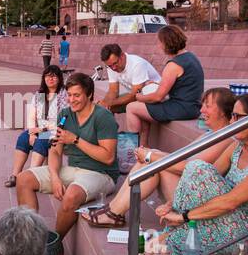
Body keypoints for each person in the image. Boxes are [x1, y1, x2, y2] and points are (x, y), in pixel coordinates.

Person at [153, 93, 248, 255]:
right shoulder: (237, 148)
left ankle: (170, 235)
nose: (231, 122)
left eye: (237, 117)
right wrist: (171, 204)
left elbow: (230, 202)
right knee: (195, 169)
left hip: (247, 235)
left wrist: (182, 217)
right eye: (232, 116)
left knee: (166, 245)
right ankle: (170, 235)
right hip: (223, 219)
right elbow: (200, 182)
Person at [82, 87, 236, 228]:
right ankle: (113, 209)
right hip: (188, 189)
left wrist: (150, 156)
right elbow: (180, 156)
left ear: (223, 111)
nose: (202, 110)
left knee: (154, 166)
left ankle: (114, 213)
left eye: (207, 106)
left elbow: (189, 167)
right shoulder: (210, 134)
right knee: (151, 159)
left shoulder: (226, 138)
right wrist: (151, 153)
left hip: (197, 200)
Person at [16, 71, 118, 239]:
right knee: (23, 179)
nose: (71, 100)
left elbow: (108, 157)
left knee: (71, 195)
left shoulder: (103, 116)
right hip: (73, 169)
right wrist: (55, 177)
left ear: (89, 94)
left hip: (101, 173)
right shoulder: (65, 114)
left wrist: (75, 140)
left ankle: (54, 243)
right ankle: (30, 240)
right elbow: (55, 150)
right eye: (69, 95)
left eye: (77, 95)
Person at [124, 24, 204, 150]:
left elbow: (158, 97)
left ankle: (131, 150)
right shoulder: (191, 57)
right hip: (193, 106)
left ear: (167, 43)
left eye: (160, 42)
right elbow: (179, 84)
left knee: (131, 107)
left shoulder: (173, 65)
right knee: (143, 110)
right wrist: (156, 85)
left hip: (181, 109)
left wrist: (138, 96)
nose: (159, 45)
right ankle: (143, 148)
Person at [4, 65, 68, 188]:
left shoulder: (63, 95)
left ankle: (30, 176)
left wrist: (39, 131)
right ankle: (15, 175)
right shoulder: (40, 95)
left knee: (41, 140)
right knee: (23, 137)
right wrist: (32, 132)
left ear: (59, 78)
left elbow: (61, 120)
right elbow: (32, 116)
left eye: (54, 76)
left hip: (57, 131)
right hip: (40, 129)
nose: (51, 79)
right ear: (44, 78)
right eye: (48, 76)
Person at [97, 43, 162, 115]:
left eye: (115, 63)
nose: (114, 68)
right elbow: (113, 90)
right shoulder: (111, 67)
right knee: (103, 109)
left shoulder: (137, 64)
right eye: (110, 66)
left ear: (122, 55)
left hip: (155, 95)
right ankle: (109, 126)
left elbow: (134, 95)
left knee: (117, 106)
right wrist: (103, 103)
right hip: (138, 95)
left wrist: (110, 103)